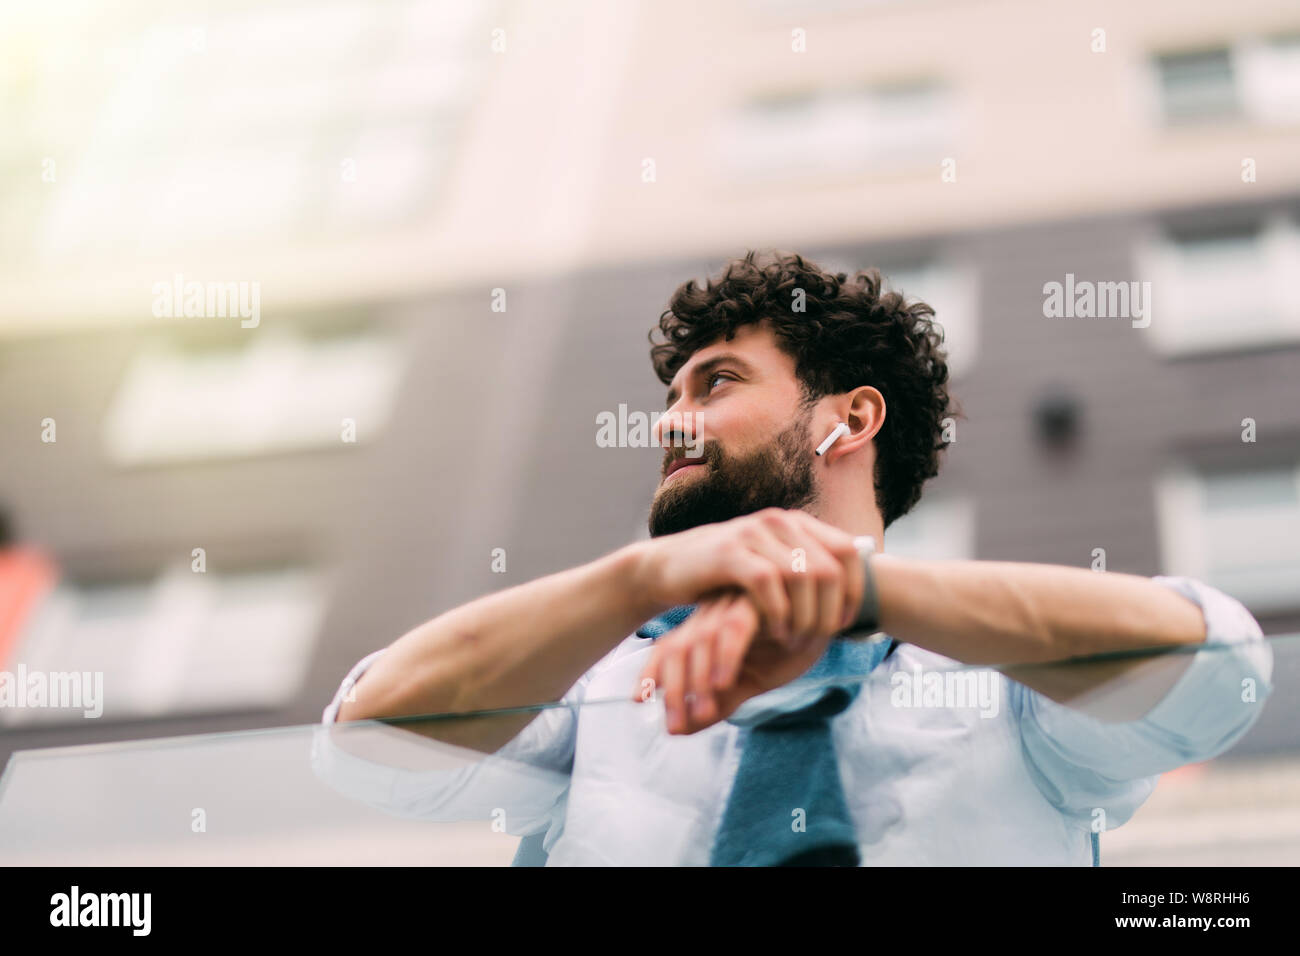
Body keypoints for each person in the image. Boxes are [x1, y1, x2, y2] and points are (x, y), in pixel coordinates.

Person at [312, 250, 1273, 866]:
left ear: (848, 419)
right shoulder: (604, 687)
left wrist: (847, 588)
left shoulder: (1003, 682)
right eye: (671, 396)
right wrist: (639, 580)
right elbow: (369, 744)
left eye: (716, 382)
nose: (672, 422)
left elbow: (1218, 670)